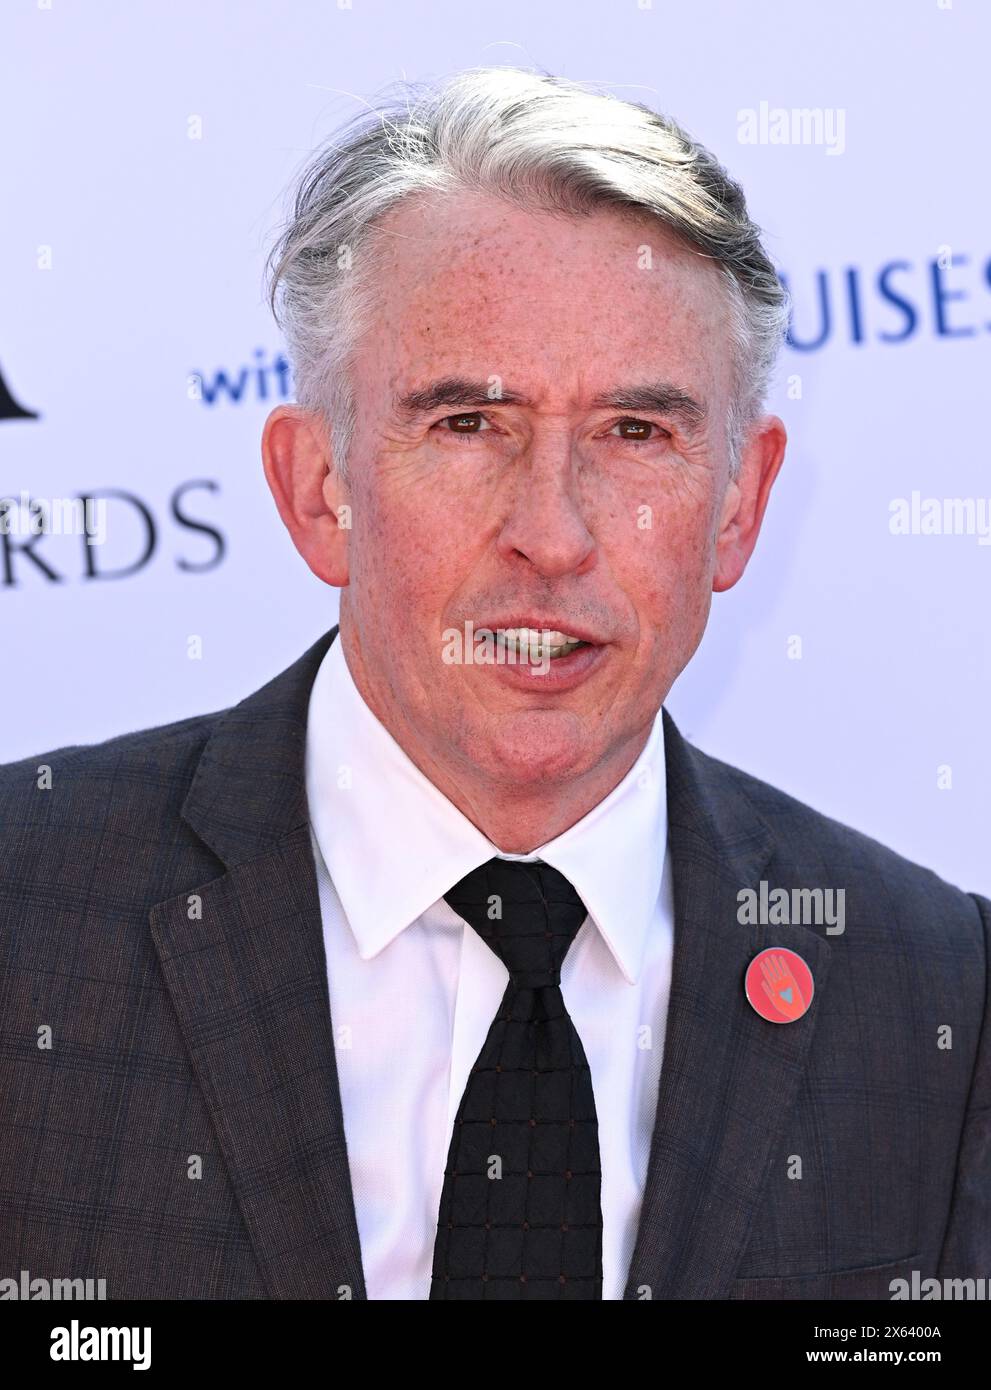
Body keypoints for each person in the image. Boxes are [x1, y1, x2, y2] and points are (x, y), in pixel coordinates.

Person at [0, 67, 987, 1302]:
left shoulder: (937, 989)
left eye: (636, 433)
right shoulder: (24, 911)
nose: (552, 533)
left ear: (739, 504)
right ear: (319, 490)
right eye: (468, 424)